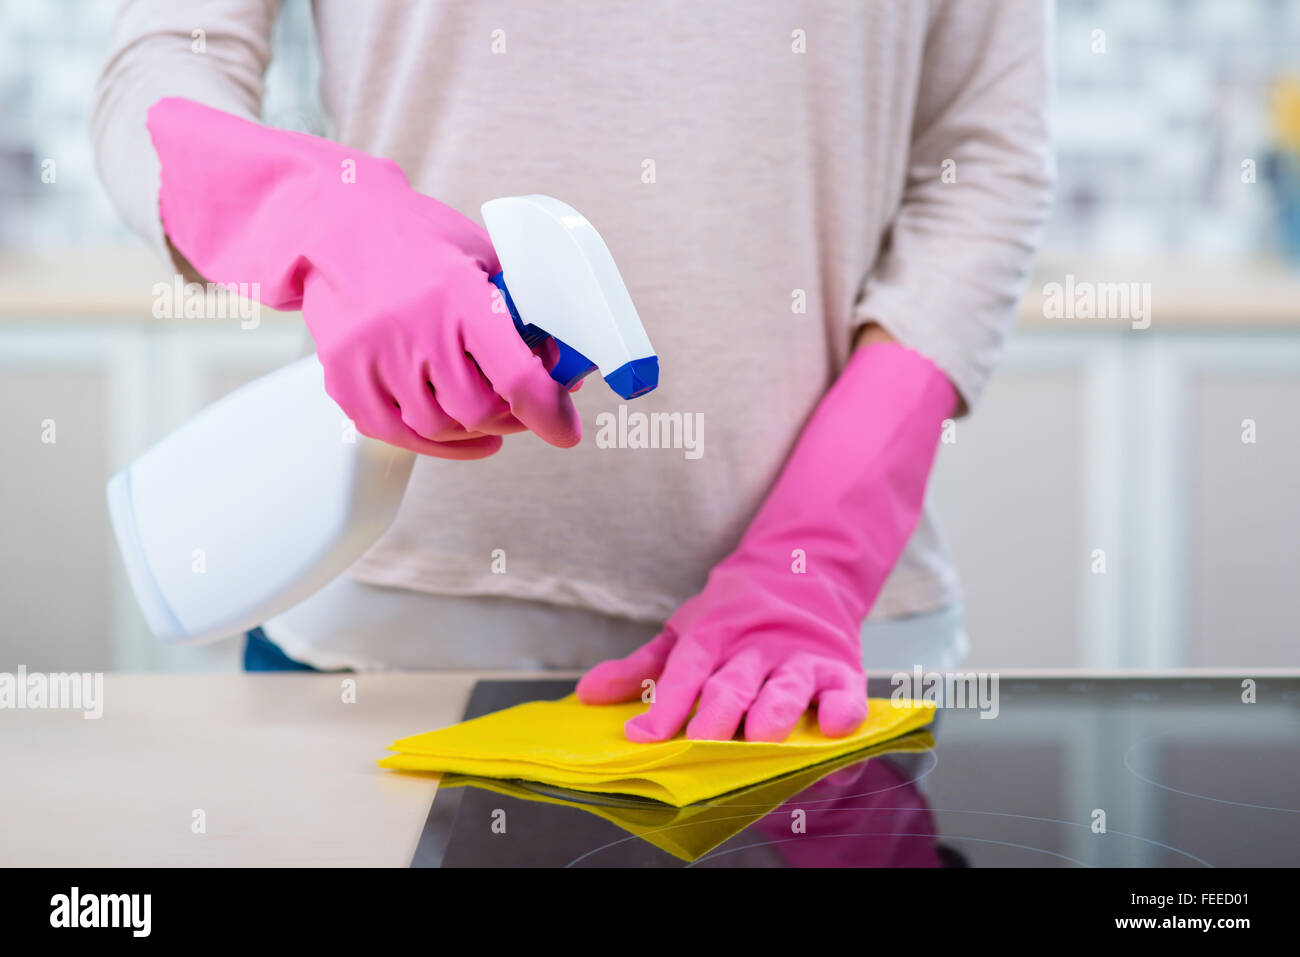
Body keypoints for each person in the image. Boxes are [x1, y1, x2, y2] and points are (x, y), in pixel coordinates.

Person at [92, 1, 1054, 742]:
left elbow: (985, 163)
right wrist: (312, 212)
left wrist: (821, 551)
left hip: (809, 677)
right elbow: (160, 61)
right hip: (387, 647)